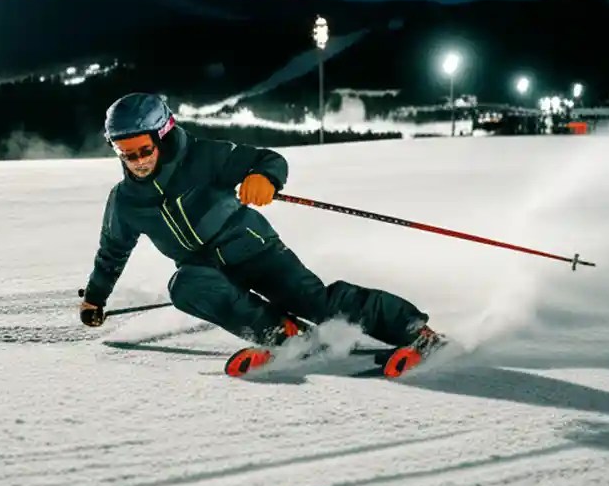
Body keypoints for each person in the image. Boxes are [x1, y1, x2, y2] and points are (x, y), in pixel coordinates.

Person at [78, 92, 446, 377]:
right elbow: (112, 251)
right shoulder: (125, 201)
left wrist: (263, 177)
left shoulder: (203, 157)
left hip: (256, 251)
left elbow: (268, 159)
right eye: (127, 154)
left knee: (317, 303)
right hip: (205, 270)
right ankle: (284, 336)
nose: (139, 161)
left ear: (162, 136)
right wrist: (95, 298)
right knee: (184, 286)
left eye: (144, 149)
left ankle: (416, 332)